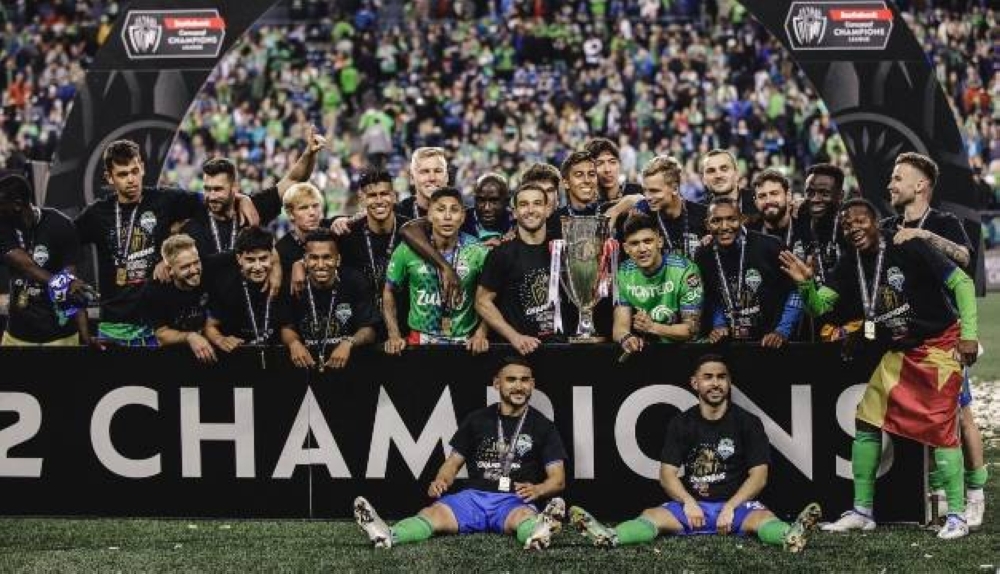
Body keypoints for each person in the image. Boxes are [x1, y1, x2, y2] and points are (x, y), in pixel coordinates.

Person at [778, 197, 979, 540]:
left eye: (859, 220)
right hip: (900, 353)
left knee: (943, 429)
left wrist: (970, 336)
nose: (853, 228)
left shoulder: (908, 246)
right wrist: (805, 284)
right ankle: (863, 511)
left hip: (938, 345)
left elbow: (962, 282)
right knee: (866, 419)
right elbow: (821, 306)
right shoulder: (849, 264)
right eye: (846, 224)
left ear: (876, 221)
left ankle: (958, 516)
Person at [568, 354, 822, 552]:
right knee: (651, 516)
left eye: (721, 377)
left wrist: (731, 507)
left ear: (729, 382)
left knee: (763, 518)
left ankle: (790, 536)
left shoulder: (748, 422)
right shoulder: (682, 422)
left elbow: (759, 476)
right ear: (695, 383)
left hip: (736, 508)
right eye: (708, 377)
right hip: (694, 509)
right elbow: (667, 475)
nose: (715, 383)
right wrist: (689, 503)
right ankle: (610, 537)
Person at [353, 356, 568, 550]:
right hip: (472, 499)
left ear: (532, 384)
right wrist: (441, 480)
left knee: (524, 517)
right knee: (432, 513)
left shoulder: (544, 426)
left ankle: (536, 534)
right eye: (511, 380)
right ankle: (389, 535)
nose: (518, 386)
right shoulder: (477, 420)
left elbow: (557, 480)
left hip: (512, 500)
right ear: (497, 384)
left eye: (524, 380)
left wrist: (539, 489)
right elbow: (453, 463)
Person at [880, 152, 985, 530]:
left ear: (920, 185)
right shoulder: (888, 226)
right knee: (925, 417)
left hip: (946, 336)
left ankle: (976, 492)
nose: (890, 184)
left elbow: (964, 259)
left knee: (960, 414)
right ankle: (938, 490)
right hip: (911, 339)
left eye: (897, 178)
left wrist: (922, 235)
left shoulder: (943, 222)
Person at [75, 139, 251, 346]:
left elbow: (211, 198)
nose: (131, 179)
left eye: (134, 171)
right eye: (122, 174)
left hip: (158, 324)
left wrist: (241, 198)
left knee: (158, 379)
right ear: (109, 177)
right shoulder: (96, 214)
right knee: (116, 379)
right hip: (114, 324)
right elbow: (64, 243)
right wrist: (73, 281)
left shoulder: (165, 200)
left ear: (142, 167)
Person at [181, 127, 322, 256]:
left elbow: (294, 179)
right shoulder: (195, 213)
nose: (211, 196)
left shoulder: (253, 208)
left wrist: (309, 153)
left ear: (234, 188)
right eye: (207, 189)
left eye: (218, 189)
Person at [383, 188, 489, 354]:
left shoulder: (478, 251)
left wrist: (481, 333)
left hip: (465, 342)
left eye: (454, 210)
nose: (447, 217)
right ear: (430, 216)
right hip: (420, 340)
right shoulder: (406, 250)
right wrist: (394, 334)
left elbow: (491, 297)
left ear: (462, 217)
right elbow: (389, 291)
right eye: (440, 210)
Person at [0, 172, 94, 345]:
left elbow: (70, 281)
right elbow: (27, 266)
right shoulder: (3, 227)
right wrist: (65, 283)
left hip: (60, 336)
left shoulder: (61, 225)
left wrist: (85, 334)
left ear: (17, 205)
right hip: (17, 336)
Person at [694, 198, 802, 347]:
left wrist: (782, 330)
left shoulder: (771, 246)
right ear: (707, 224)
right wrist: (719, 324)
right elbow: (711, 296)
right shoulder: (703, 255)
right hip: (729, 344)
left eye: (731, 219)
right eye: (716, 220)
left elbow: (797, 290)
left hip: (771, 343)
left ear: (742, 219)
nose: (724, 226)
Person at [476, 183, 564, 355]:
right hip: (518, 353)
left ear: (547, 209)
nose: (530, 210)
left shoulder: (562, 247)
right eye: (524, 205)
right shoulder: (502, 253)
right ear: (514, 212)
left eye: (537, 203)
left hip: (559, 348)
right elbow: (482, 301)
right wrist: (514, 337)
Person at [277, 228, 379, 371]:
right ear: (305, 260)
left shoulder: (355, 281)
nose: (320, 265)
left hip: (350, 368)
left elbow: (369, 329)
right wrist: (294, 343)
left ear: (338, 260)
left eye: (327, 257)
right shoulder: (294, 285)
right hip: (307, 368)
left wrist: (348, 343)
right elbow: (287, 326)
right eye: (314, 258)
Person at [614, 213, 702, 356]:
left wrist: (652, 327)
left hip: (685, 352)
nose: (642, 249)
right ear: (626, 248)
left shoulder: (685, 270)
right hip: (645, 352)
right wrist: (626, 338)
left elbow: (691, 329)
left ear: (659, 242)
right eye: (634, 243)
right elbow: (620, 326)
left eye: (648, 241)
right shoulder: (623, 272)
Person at [333, 169, 410, 332]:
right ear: (362, 199)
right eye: (372, 195)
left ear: (394, 196)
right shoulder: (347, 233)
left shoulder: (410, 231)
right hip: (361, 328)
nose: (379, 200)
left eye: (384, 194)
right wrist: (300, 262)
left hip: (404, 327)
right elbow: (316, 244)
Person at [604, 155, 708, 261]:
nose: (648, 197)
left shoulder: (702, 215)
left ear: (675, 188)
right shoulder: (642, 214)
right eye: (645, 190)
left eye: (654, 191)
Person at [140, 234, 217, 363]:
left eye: (196, 262)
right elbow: (161, 334)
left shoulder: (210, 269)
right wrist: (190, 336)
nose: (194, 270)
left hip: (209, 353)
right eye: (185, 267)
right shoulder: (154, 290)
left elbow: (236, 256)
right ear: (170, 269)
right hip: (170, 358)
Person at [203, 227, 280, 354]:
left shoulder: (281, 283)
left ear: (272, 256)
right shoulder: (226, 286)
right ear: (239, 258)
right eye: (250, 260)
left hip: (277, 358)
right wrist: (219, 339)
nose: (258, 267)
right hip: (237, 358)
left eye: (263, 258)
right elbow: (209, 326)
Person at [275, 182, 329, 278]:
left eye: (315, 206)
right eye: (303, 208)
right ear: (290, 214)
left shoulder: (332, 231)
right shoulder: (281, 250)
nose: (312, 213)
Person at [748, 169, 807, 256]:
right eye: (762, 196)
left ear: (788, 196)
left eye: (774, 193)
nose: (768, 200)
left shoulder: (805, 227)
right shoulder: (748, 235)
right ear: (756, 202)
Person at [698, 149, 758, 219]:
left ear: (737, 174)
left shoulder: (758, 202)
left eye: (724, 169)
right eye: (711, 171)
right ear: (703, 179)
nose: (718, 175)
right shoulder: (698, 211)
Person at [395, 147, 449, 220]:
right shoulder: (396, 215)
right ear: (412, 178)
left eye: (438, 171)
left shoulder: (466, 216)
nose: (432, 178)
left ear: (446, 177)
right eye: (425, 171)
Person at [585, 137, 642, 202]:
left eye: (612, 162)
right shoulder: (586, 202)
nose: (607, 169)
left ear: (619, 164)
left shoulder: (635, 191)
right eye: (599, 163)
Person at [461, 172, 512, 243]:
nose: (486, 208)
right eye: (481, 200)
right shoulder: (461, 222)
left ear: (506, 202)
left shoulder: (516, 224)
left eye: (494, 201)